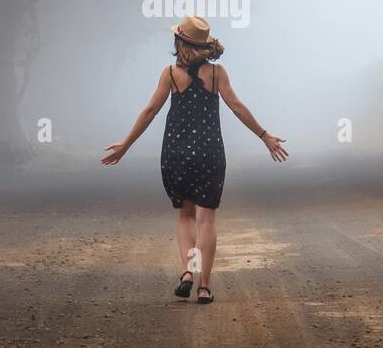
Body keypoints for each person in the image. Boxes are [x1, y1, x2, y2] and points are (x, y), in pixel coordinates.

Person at [101, 15, 288, 304]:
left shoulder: (170, 74)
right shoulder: (216, 74)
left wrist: (126, 145)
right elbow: (237, 107)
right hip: (210, 152)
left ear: (179, 42)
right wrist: (264, 136)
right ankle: (203, 287)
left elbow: (150, 111)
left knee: (186, 215)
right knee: (207, 220)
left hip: (175, 153)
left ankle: (187, 271)